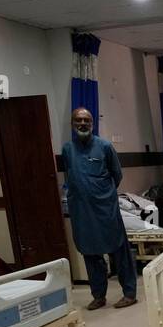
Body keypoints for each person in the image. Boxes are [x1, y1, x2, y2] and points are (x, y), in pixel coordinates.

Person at [62, 107, 137, 310]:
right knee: (90, 253)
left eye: (87, 120)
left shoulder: (104, 146)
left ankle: (129, 293)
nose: (83, 124)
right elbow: (70, 176)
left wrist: (102, 194)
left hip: (105, 208)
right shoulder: (68, 149)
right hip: (81, 211)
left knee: (119, 250)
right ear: (72, 124)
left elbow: (117, 175)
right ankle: (98, 295)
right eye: (78, 120)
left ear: (92, 124)